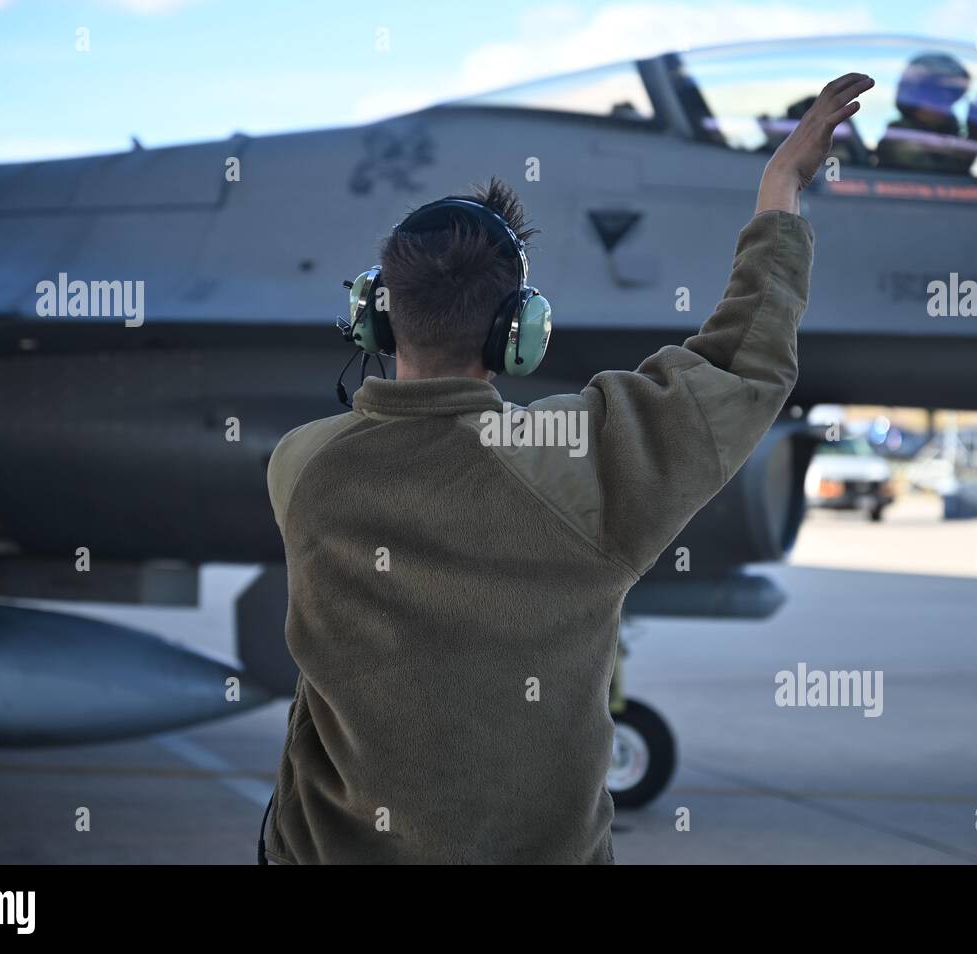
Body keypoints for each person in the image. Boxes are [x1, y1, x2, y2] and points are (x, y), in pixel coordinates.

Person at [261, 72, 874, 864]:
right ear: (520, 334)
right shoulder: (572, 466)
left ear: (374, 315)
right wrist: (779, 188)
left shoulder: (301, 466)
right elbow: (740, 364)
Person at [876, 52, 977, 175]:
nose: (946, 102)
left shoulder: (945, 139)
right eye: (937, 94)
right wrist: (972, 139)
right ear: (914, 94)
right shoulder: (901, 140)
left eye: (951, 95)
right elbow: (941, 182)